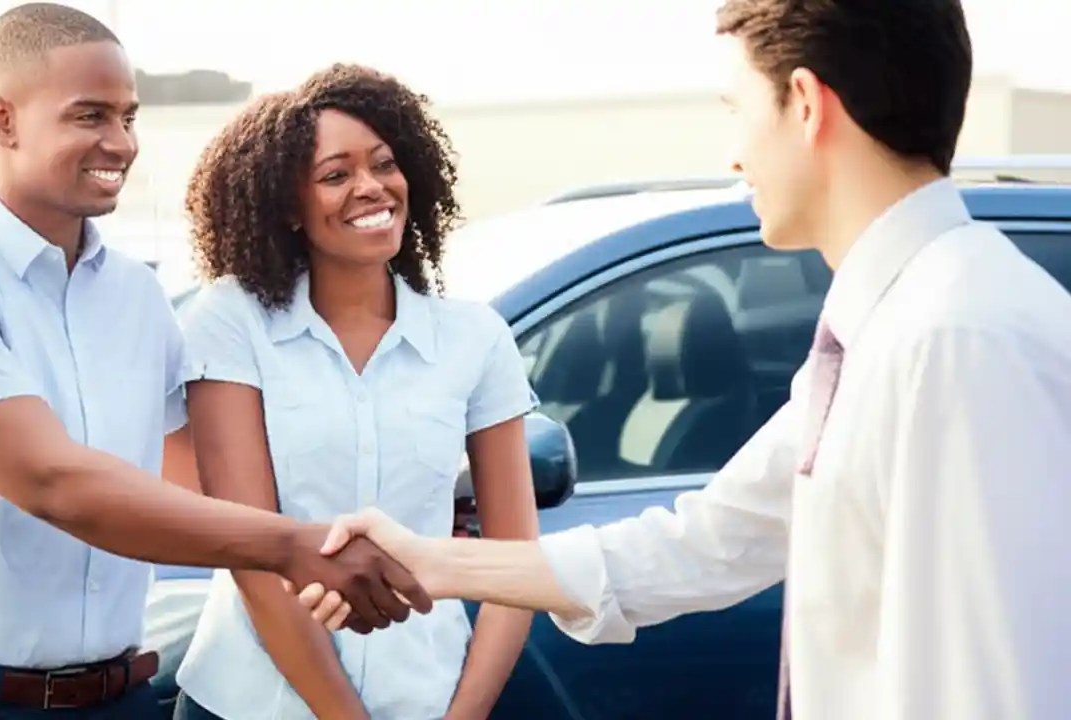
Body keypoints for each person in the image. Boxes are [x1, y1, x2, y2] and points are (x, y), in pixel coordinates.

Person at [294, 2, 1071, 719]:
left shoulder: (956, 340)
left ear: (805, 104)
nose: (734, 155)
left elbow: (990, 693)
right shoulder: (895, 325)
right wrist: (430, 563)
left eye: (737, 110)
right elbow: (706, 543)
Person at [0, 5, 427, 719]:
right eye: (90, 116)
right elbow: (53, 482)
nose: (120, 143)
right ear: (2, 120)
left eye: (128, 117)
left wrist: (403, 490)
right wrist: (295, 545)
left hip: (120, 698)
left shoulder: (137, 295)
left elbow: (196, 486)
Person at [164, 65, 540, 720]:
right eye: (335, 175)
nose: (370, 187)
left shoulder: (474, 338)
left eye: (384, 164)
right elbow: (253, 555)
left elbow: (517, 564)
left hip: (425, 698)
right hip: (255, 702)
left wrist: (463, 716)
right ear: (288, 206)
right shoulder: (231, 322)